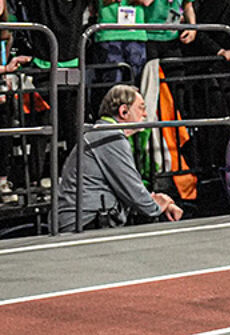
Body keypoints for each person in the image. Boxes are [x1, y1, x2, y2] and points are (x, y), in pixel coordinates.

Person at [56, 84, 183, 230]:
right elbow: (133, 190)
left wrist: (156, 202)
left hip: (83, 219)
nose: (145, 115)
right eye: (141, 108)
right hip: (85, 222)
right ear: (123, 111)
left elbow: (130, 189)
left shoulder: (105, 132)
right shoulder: (110, 136)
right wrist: (159, 206)